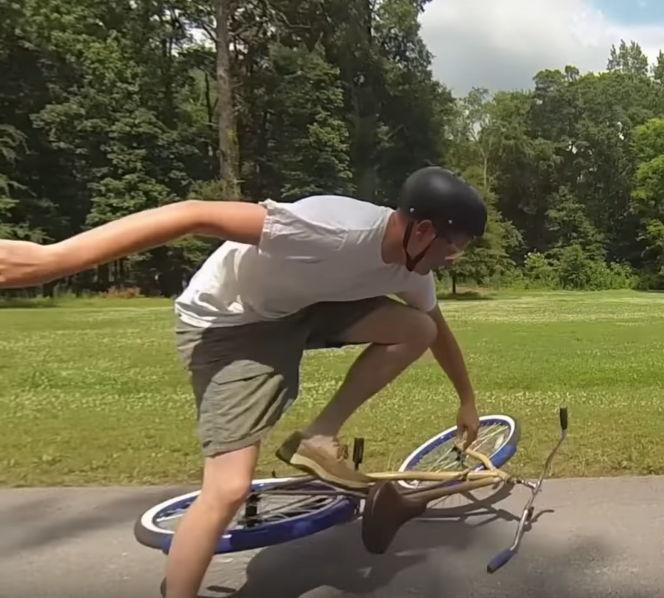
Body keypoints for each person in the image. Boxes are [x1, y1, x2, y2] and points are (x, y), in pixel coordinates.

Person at [0, 165, 487, 598]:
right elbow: (192, 213)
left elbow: (436, 332)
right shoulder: (328, 229)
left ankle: (318, 438)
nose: (454, 261)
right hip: (229, 325)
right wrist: (53, 260)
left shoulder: (410, 267)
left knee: (416, 327)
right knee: (229, 489)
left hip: (300, 311)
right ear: (423, 230)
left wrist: (466, 399)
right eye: (454, 249)